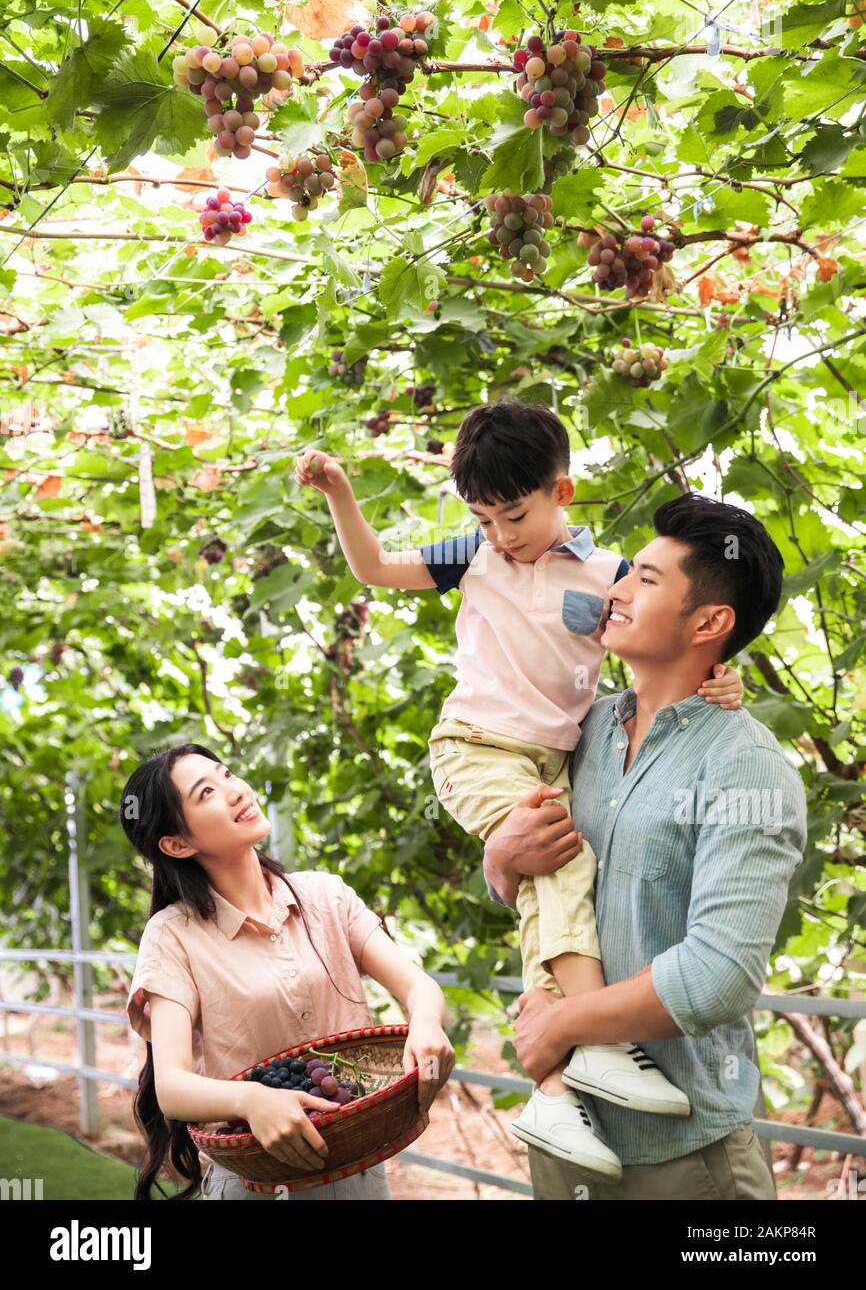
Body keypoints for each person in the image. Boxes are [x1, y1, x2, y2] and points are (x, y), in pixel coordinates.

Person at [294, 400, 743, 1177]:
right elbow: (372, 568)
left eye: (513, 515)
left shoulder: (608, 577)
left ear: (561, 493)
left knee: (552, 890)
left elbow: (673, 634)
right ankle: (594, 1039)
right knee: (562, 864)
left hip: (547, 761)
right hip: (474, 746)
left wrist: (718, 675)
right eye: (484, 517)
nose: (502, 535)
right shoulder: (473, 557)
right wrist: (338, 491)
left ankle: (555, 1090)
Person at [483, 491, 808, 1200]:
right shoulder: (581, 729)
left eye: (648, 580)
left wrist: (560, 1023)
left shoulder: (745, 766)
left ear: (711, 622)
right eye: (627, 571)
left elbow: (718, 973)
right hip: (567, 1135)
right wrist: (501, 859)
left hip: (684, 1158)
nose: (618, 589)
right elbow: (533, 883)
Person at [121, 742, 454, 1200]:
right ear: (177, 843)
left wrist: (427, 1021)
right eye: (207, 793)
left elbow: (417, 986)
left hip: (358, 1170)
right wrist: (250, 1099)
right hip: (254, 1181)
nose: (235, 790)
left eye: (228, 774)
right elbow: (172, 1088)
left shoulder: (325, 896)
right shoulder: (172, 935)